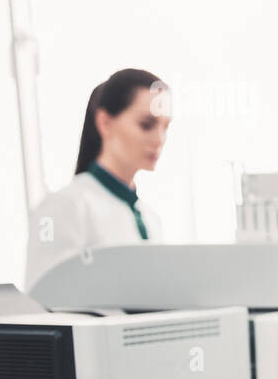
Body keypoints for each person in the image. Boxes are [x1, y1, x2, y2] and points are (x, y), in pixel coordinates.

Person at [25, 69, 170, 290]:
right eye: (146, 124)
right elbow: (42, 298)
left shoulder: (151, 218)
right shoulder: (63, 207)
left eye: (165, 127)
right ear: (105, 123)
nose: (159, 139)